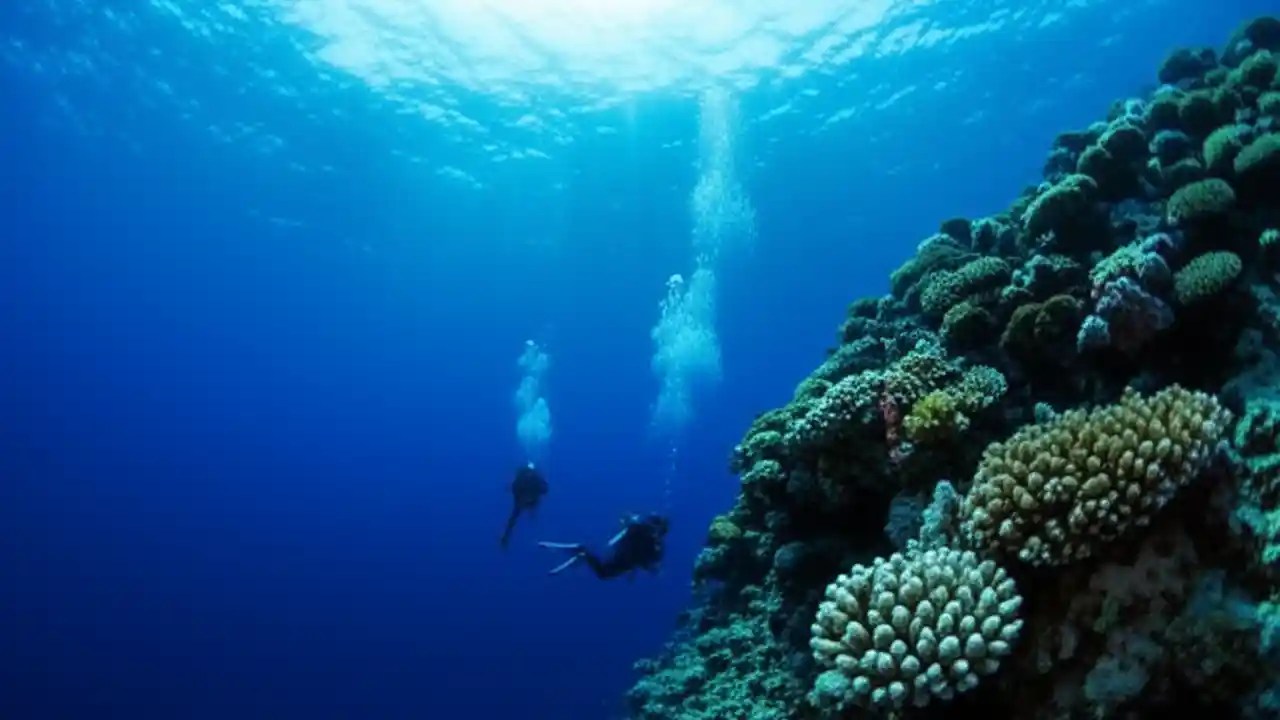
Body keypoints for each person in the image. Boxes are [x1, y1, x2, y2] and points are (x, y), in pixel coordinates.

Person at [538, 512, 669, 579]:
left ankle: (581, 553)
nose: (656, 533)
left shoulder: (647, 536)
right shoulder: (646, 536)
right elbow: (648, 563)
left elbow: (649, 564)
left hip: (623, 558)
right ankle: (581, 553)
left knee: (603, 572)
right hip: (623, 559)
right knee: (603, 573)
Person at [500, 463, 548, 549]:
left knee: (516, 517)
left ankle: (505, 538)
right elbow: (544, 490)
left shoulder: (532, 480)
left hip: (524, 499)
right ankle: (505, 538)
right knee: (516, 517)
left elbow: (544, 490)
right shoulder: (530, 480)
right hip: (522, 499)